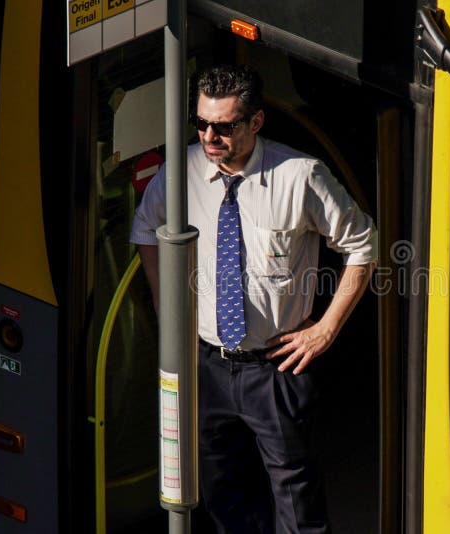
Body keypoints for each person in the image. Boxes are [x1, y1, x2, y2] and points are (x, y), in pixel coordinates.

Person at [130, 64, 377, 533]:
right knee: (222, 492)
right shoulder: (181, 172)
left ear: (256, 122)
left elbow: (363, 244)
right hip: (205, 364)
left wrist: (325, 329)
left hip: (275, 367)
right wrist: (169, 315)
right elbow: (145, 227)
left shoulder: (300, 177)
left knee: (296, 501)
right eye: (201, 123)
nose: (209, 137)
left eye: (223, 127)